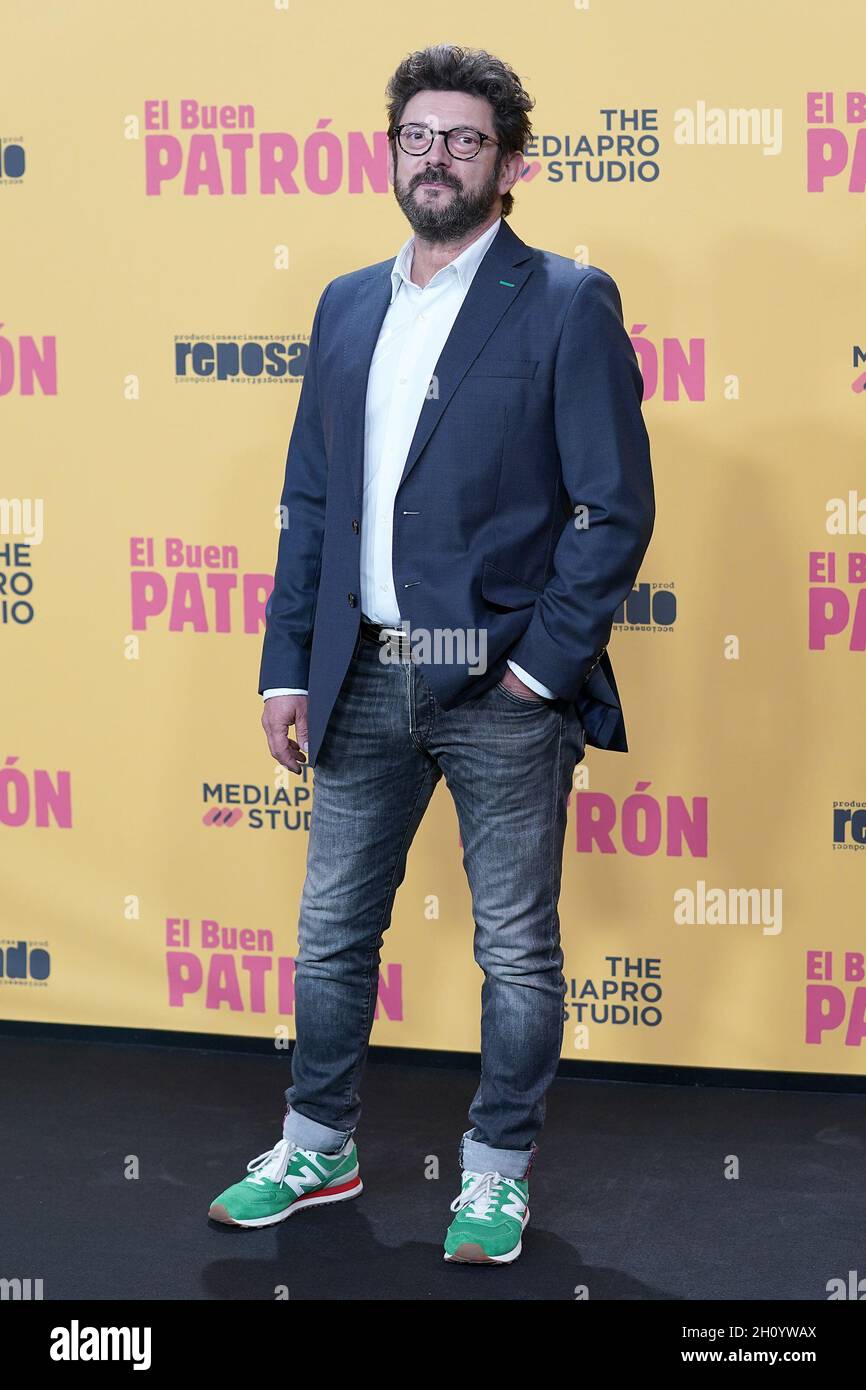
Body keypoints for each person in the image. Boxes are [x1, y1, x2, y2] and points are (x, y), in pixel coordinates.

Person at [209, 42, 654, 1265]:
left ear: (510, 164)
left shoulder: (565, 299)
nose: (438, 157)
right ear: (390, 149)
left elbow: (610, 507)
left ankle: (495, 1173)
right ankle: (317, 1143)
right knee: (333, 934)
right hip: (357, 675)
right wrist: (285, 663)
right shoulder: (348, 301)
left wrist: (538, 670)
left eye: (465, 139)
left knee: (513, 947)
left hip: (498, 680)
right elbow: (311, 500)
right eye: (419, 135)